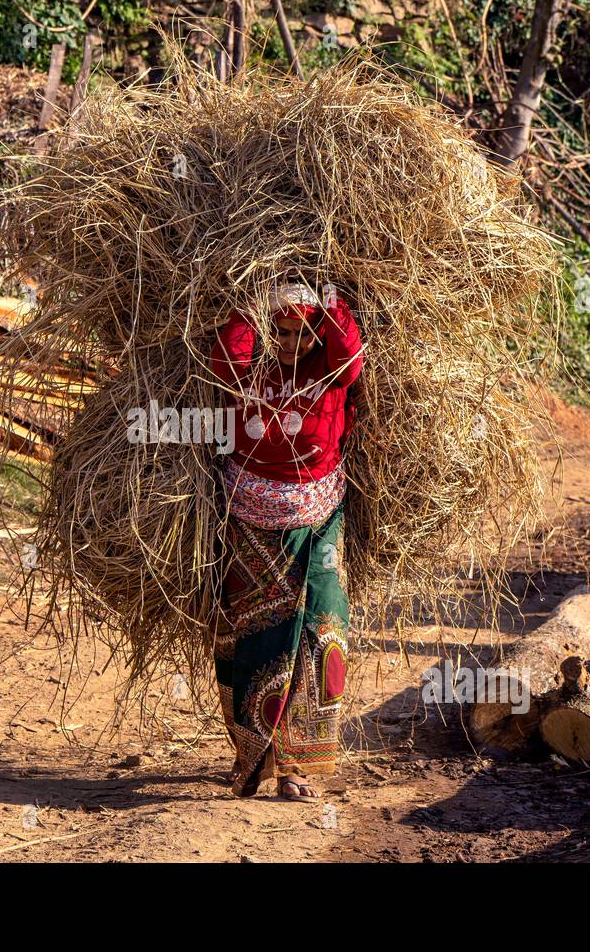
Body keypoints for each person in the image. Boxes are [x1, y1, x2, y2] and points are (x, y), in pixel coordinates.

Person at [208, 281, 364, 801]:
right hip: (249, 520)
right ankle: (254, 756)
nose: (293, 342)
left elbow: (348, 347)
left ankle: (297, 765)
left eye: (303, 332)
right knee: (254, 635)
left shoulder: (331, 372)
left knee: (322, 629)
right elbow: (227, 355)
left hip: (318, 518)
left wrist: (325, 291)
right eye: (282, 331)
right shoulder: (248, 374)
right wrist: (254, 297)